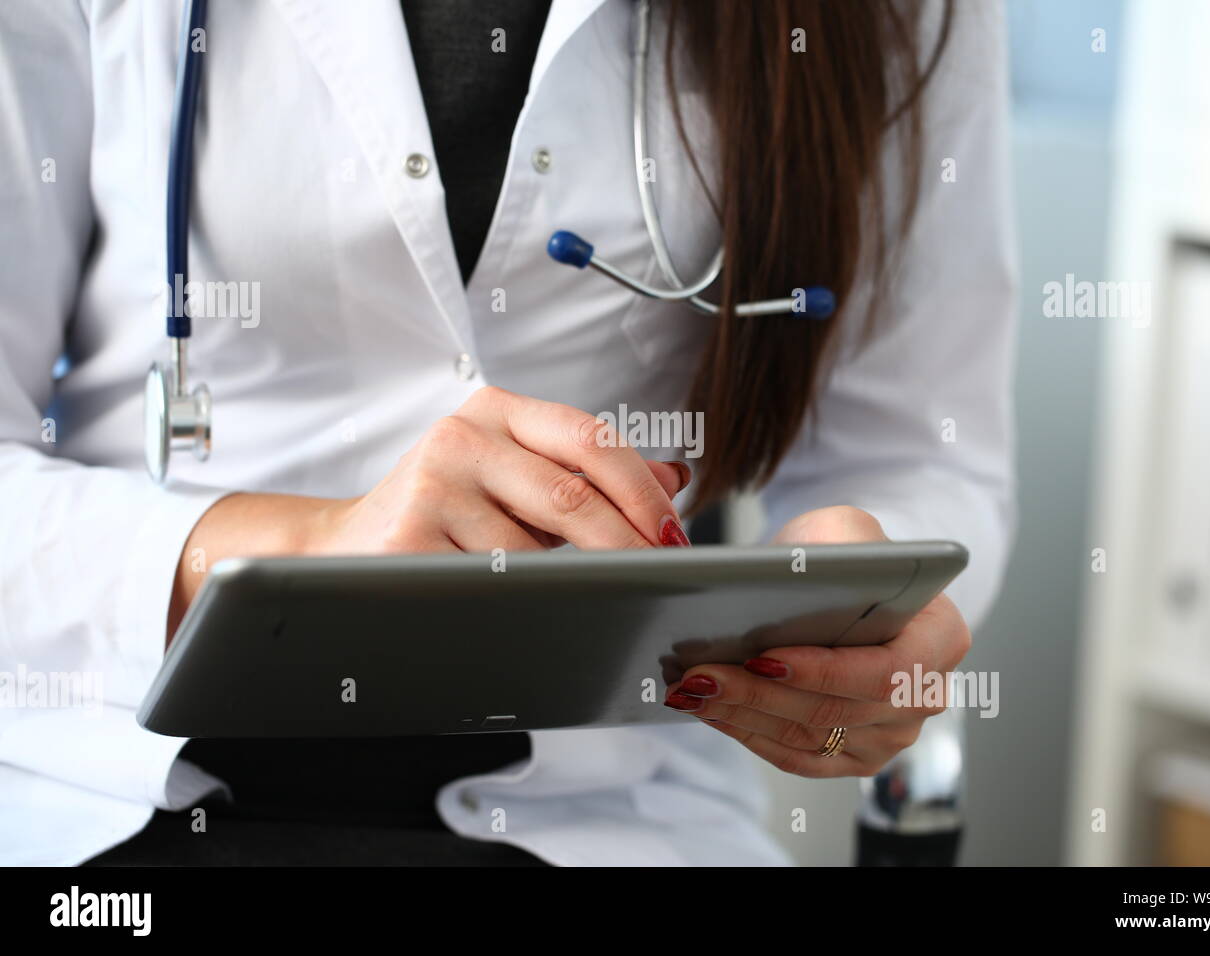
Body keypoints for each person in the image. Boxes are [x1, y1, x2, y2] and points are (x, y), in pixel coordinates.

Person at [0, 0, 1015, 866]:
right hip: (102, 784)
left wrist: (868, 599)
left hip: (601, 807)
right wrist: (310, 547)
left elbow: (918, 442)